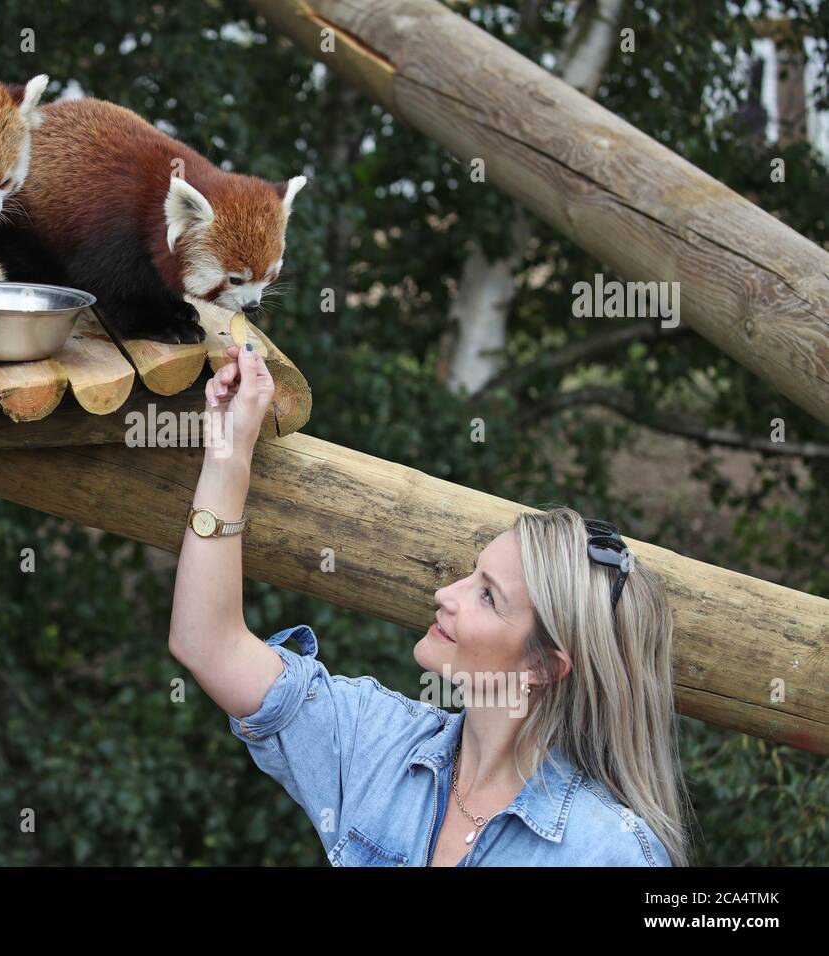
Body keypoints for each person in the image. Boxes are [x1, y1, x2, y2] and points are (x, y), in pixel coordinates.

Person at [169, 342, 692, 866]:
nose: (446, 595)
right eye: (471, 575)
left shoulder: (606, 852)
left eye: (487, 596)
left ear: (543, 665)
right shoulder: (380, 746)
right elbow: (211, 645)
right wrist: (228, 452)